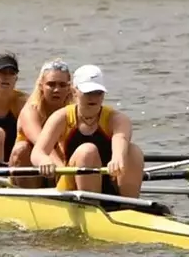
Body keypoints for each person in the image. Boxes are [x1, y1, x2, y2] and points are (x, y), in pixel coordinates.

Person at [31, 64, 143, 198]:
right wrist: (44, 160)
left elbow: (121, 139)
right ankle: (90, 204)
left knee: (133, 151)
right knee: (87, 151)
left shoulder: (117, 119)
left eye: (98, 93)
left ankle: (129, 203)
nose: (93, 98)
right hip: (71, 188)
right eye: (88, 93)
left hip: (109, 183)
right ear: (74, 91)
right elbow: (38, 152)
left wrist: (118, 157)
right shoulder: (61, 118)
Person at [9, 59, 74, 187]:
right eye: (51, 84)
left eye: (62, 85)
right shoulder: (31, 111)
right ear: (41, 86)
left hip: (59, 169)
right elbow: (41, 144)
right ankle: (29, 194)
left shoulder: (74, 109)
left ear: (69, 88)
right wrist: (64, 172)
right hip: (33, 169)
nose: (56, 90)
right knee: (22, 149)